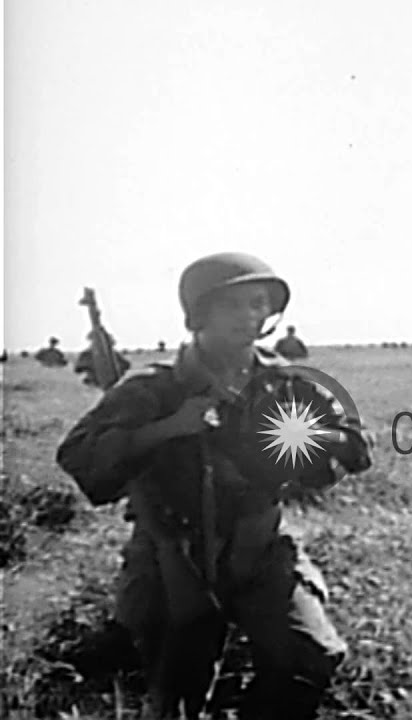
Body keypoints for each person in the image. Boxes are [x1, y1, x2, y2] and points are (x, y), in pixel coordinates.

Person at [56, 252, 374, 719]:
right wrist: (166, 428)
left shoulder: (283, 383)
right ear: (198, 314)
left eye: (259, 304)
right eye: (234, 305)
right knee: (176, 696)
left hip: (260, 547)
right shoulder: (155, 388)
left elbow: (355, 446)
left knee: (310, 657)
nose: (250, 316)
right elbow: (78, 453)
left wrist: (297, 441)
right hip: (174, 554)